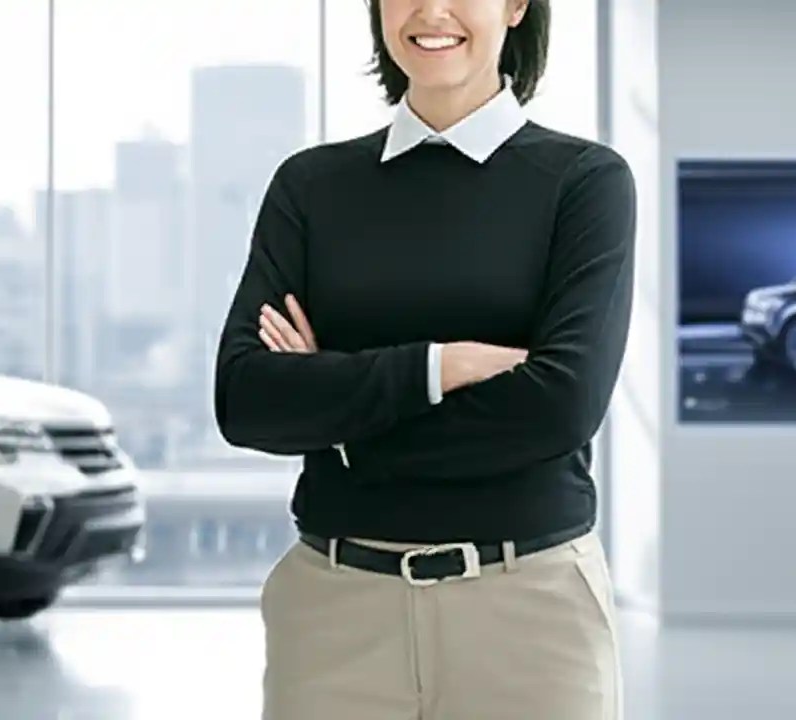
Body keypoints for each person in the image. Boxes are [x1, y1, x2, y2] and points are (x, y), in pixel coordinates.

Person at [213, 0, 636, 717]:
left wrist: (342, 421)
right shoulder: (311, 188)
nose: (430, 10)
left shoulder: (584, 182)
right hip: (334, 613)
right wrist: (440, 368)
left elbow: (561, 406)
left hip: (529, 613)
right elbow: (246, 399)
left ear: (514, 6)